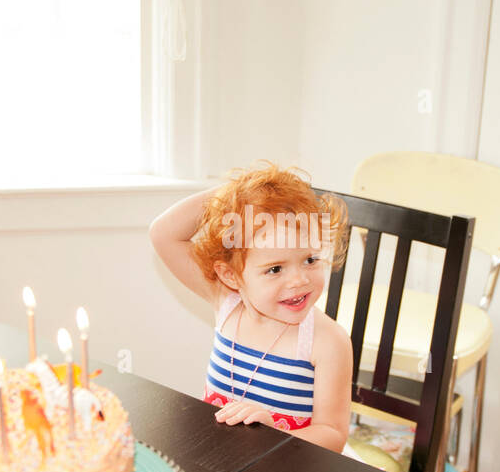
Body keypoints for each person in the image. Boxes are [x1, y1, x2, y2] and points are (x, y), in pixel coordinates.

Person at [150, 163, 353, 453]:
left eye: (310, 259)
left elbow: (333, 435)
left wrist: (273, 432)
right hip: (221, 461)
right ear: (231, 276)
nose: (299, 280)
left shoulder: (327, 342)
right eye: (275, 269)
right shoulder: (228, 302)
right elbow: (163, 234)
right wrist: (236, 195)